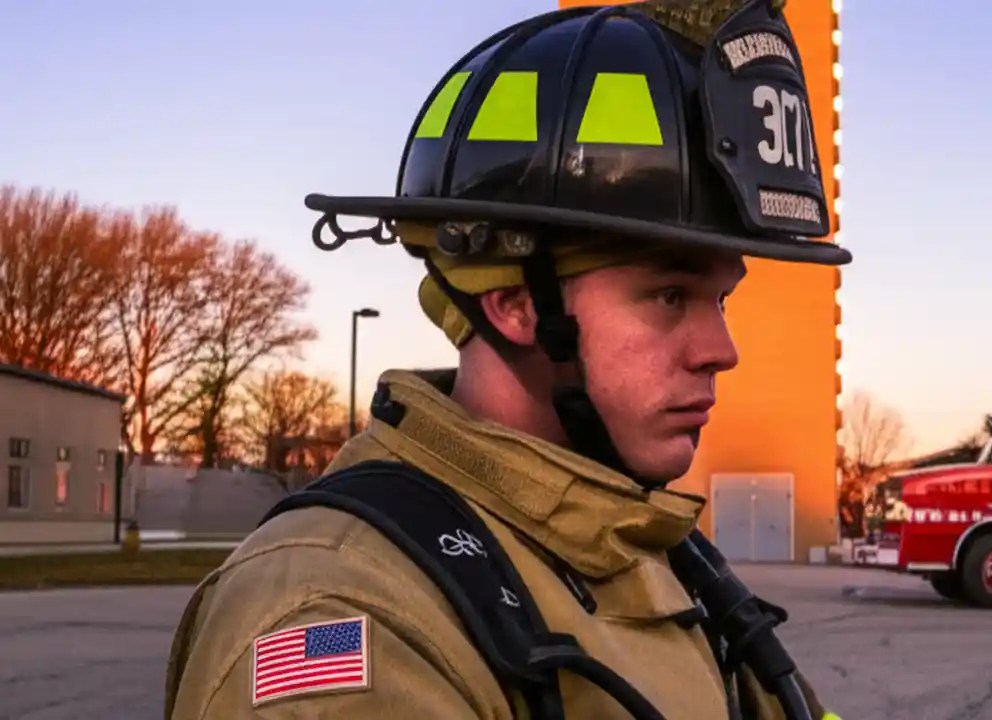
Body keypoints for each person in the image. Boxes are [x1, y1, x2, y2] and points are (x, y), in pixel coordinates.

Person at [164, 0, 851, 717]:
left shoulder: (651, 551)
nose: (721, 351)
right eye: (670, 297)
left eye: (722, 300)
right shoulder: (343, 611)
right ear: (516, 301)